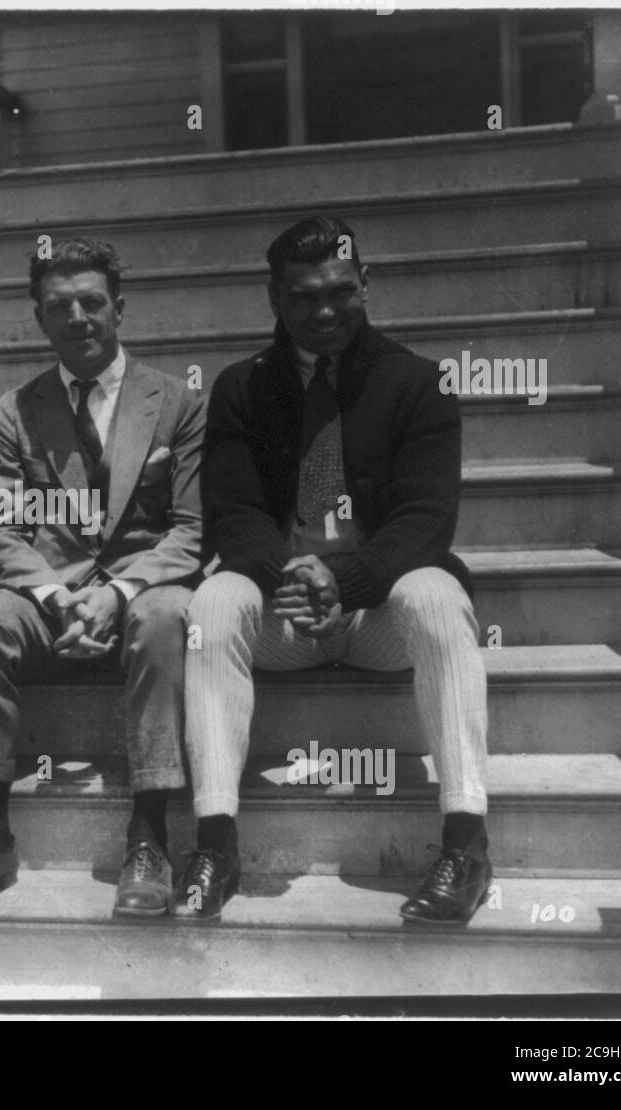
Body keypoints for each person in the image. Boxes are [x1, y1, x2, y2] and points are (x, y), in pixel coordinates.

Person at [179, 216, 491, 923]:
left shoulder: (419, 383)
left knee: (438, 591)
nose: (323, 312)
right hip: (286, 614)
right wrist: (298, 574)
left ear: (366, 284)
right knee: (214, 603)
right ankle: (216, 843)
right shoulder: (240, 388)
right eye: (302, 298)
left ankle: (467, 844)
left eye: (340, 292)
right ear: (273, 298)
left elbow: (426, 519)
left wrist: (344, 581)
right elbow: (234, 513)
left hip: (378, 615)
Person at [0, 238, 205, 916]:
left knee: (168, 617)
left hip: (143, 590)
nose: (77, 317)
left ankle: (148, 835)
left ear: (120, 308)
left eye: (91, 302)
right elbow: (1, 530)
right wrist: (60, 600)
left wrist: (115, 594)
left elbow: (191, 529)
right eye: (59, 306)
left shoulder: (177, 403)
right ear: (39, 317)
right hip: (48, 591)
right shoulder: (14, 412)